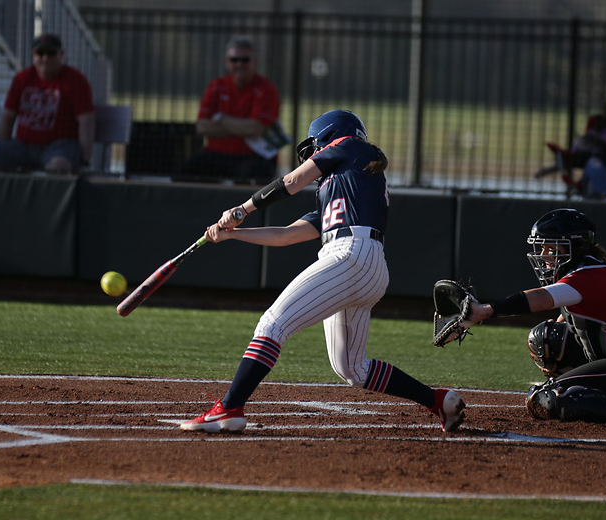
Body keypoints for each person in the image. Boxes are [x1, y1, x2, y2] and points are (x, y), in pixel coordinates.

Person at [179, 110, 466, 433]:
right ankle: (437, 400)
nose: (313, 155)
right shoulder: (343, 187)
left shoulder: (352, 146)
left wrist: (241, 209)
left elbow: (291, 181)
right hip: (365, 264)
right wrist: (233, 234)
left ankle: (229, 408)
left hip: (351, 255)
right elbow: (287, 235)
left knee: (272, 324)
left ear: (330, 136)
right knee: (352, 369)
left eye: (315, 147)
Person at [439, 208, 606, 425]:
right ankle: (596, 394)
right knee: (546, 338)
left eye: (551, 249)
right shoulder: (592, 269)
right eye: (542, 248)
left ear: (575, 248)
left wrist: (483, 311)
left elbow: (540, 298)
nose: (544, 256)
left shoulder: (590, 275)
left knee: (545, 397)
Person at [173, 37, 284, 185]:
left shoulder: (266, 89)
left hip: (254, 156)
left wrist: (221, 119)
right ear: (227, 62)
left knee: (250, 180)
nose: (239, 64)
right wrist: (241, 128)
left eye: (245, 60)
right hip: (216, 154)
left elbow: (255, 129)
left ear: (254, 62)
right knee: (183, 174)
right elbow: (202, 127)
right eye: (234, 60)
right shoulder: (216, 86)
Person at [0, 34, 94, 174]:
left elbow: (86, 121)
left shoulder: (75, 80)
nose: (45, 58)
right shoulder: (22, 79)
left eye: (51, 53)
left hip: (60, 147)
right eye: (40, 53)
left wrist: (84, 161)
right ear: (33, 55)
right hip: (23, 146)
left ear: (61, 55)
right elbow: (7, 117)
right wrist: (2, 148)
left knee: (58, 166)